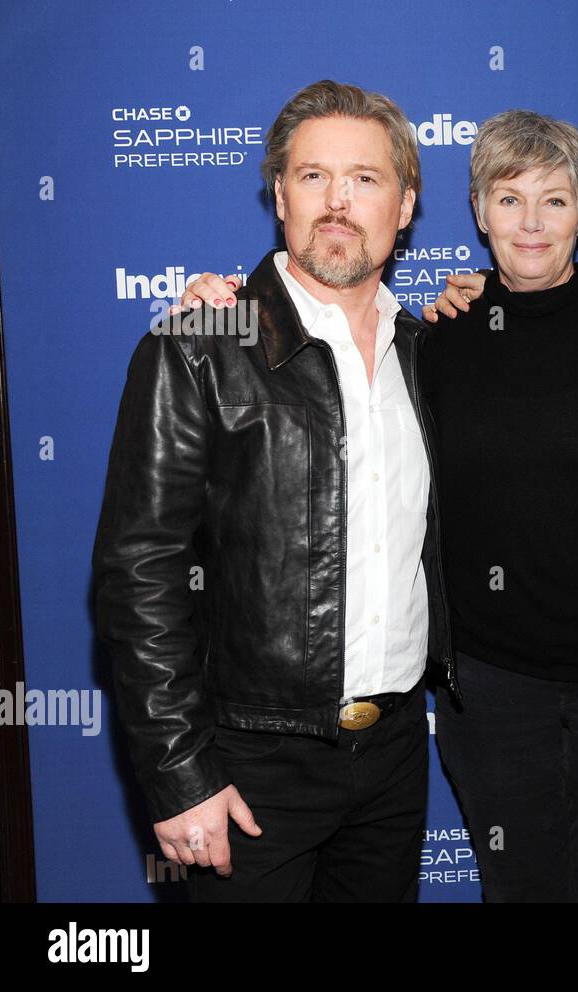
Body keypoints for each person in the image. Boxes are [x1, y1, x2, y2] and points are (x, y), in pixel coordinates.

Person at [177, 110, 578, 903]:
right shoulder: (435, 340)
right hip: (491, 692)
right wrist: (224, 304)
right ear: (478, 211)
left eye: (555, 201)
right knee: (514, 885)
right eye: (508, 198)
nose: (531, 223)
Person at [93, 80, 449, 902]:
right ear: (279, 193)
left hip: (394, 758)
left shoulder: (431, 355)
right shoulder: (198, 347)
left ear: (404, 206)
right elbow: (138, 575)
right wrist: (179, 773)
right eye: (312, 176)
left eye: (364, 179)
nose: (337, 201)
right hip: (246, 761)